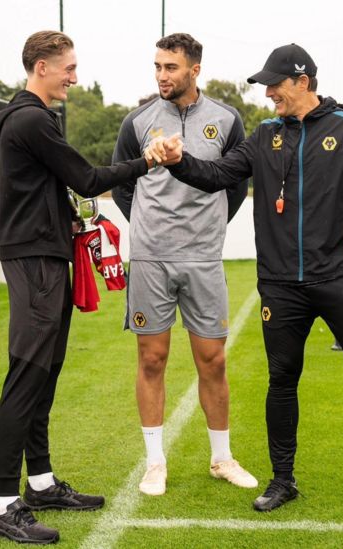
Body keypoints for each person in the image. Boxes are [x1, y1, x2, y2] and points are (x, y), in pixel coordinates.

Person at [147, 43, 343, 514]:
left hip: (341, 282)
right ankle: (283, 480)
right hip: (281, 287)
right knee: (282, 381)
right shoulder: (265, 134)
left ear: (303, 82)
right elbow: (217, 175)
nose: (268, 92)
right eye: (265, 85)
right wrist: (178, 161)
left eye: (276, 84)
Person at [0, 30, 156, 545]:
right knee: (26, 374)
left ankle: (38, 483)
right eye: (69, 68)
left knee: (45, 372)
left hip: (46, 256)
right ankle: (4, 505)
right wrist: (150, 161)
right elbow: (86, 177)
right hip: (34, 259)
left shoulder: (33, 118)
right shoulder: (32, 119)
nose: (75, 78)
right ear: (42, 67)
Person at [111, 33, 257, 497]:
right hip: (151, 258)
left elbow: (235, 183)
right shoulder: (136, 122)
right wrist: (150, 227)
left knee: (212, 359)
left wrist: (207, 227)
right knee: (152, 358)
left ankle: (222, 458)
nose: (161, 75)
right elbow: (122, 186)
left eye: (171, 67)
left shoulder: (228, 120)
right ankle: (155, 463)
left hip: (203, 258)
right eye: (157, 66)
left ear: (195, 70)